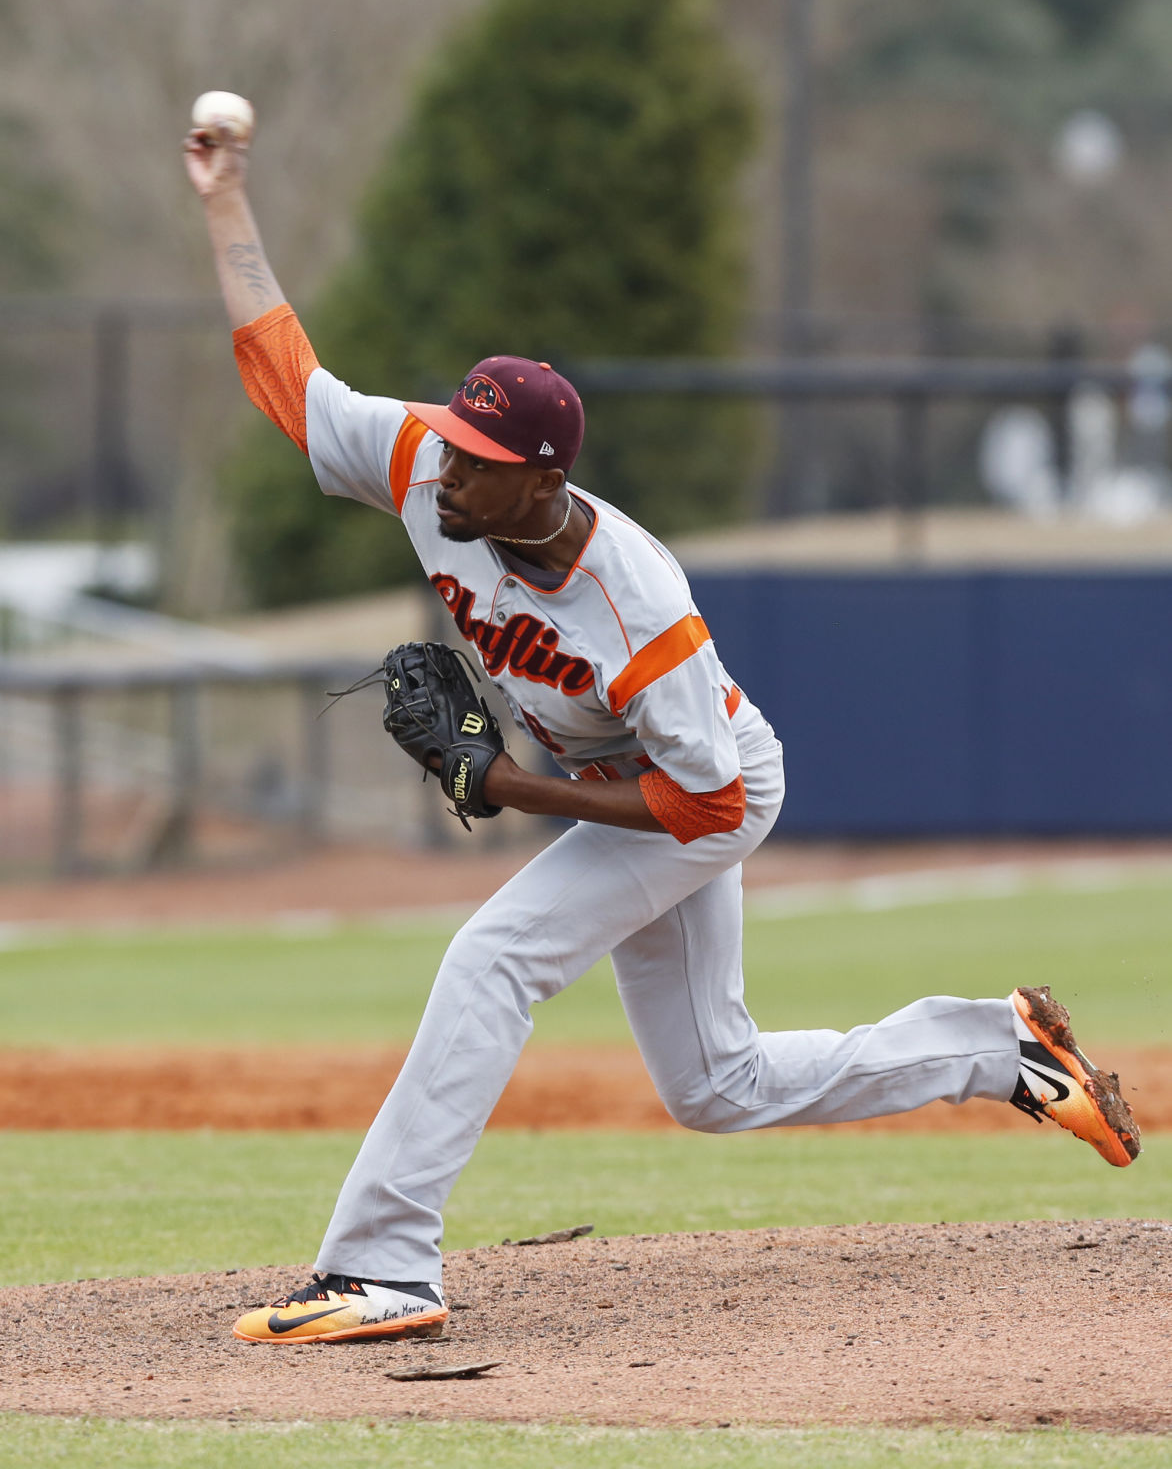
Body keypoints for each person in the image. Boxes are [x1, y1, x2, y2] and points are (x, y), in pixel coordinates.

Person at [184, 116, 1140, 1346]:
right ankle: (997, 1050)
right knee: (715, 1085)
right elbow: (284, 375)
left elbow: (706, 810)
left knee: (493, 958)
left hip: (708, 784)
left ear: (543, 480)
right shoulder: (428, 464)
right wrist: (225, 197)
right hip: (620, 775)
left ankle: (383, 1266)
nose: (445, 474)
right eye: (452, 447)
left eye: (479, 461)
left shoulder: (637, 602)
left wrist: (521, 794)